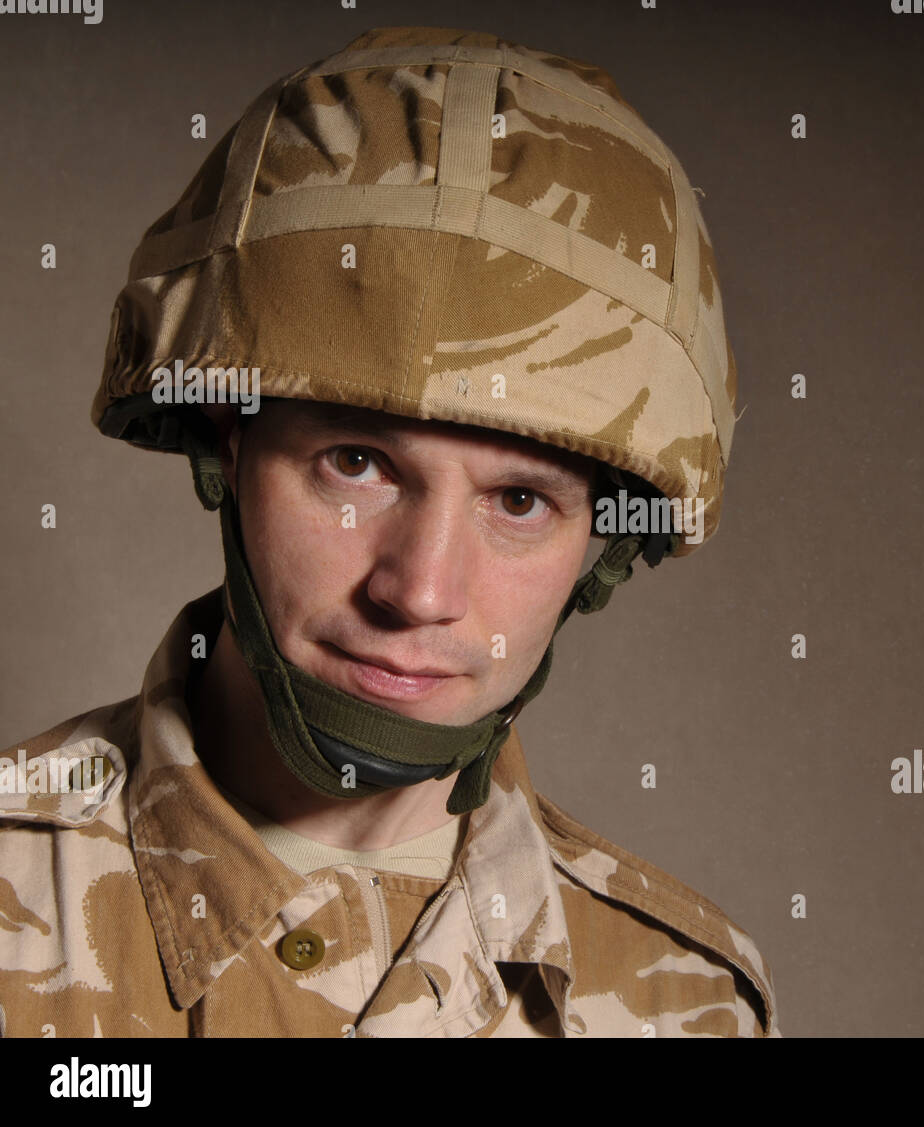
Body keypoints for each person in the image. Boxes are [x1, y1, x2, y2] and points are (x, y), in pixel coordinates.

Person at [0, 26, 778, 1037]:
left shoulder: (684, 996)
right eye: (357, 463)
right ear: (227, 439)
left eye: (519, 501)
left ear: (608, 542)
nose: (418, 590)